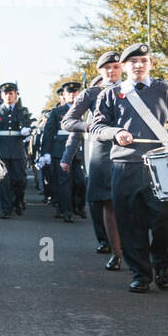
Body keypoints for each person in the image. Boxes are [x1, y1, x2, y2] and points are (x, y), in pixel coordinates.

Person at [89, 43, 168, 292]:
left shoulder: (164, 89)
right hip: (125, 166)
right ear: (124, 67)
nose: (138, 65)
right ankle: (141, 274)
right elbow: (97, 127)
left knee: (163, 222)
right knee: (129, 222)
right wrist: (117, 132)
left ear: (150, 65)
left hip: (160, 164)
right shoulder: (111, 94)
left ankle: (162, 265)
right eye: (132, 62)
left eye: (143, 61)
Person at [63, 52, 124, 269]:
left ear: (122, 68)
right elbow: (68, 122)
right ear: (99, 71)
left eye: (116, 66)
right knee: (109, 203)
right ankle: (116, 253)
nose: (112, 71)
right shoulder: (92, 93)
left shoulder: (134, 89)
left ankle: (134, 250)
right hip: (104, 152)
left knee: (135, 203)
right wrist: (90, 127)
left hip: (132, 150)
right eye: (107, 67)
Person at [0, 83, 34, 218]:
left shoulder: (22, 110)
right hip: (1, 148)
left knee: (20, 179)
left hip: (17, 148)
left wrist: (27, 130)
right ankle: (6, 209)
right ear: (2, 95)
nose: (8, 96)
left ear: (16, 95)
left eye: (11, 93)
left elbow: (27, 124)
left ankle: (18, 201)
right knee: (4, 181)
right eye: (6, 93)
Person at [41, 82, 85, 222]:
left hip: (79, 151)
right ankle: (66, 211)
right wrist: (46, 152)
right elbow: (49, 133)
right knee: (64, 183)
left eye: (75, 92)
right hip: (60, 151)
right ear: (64, 96)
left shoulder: (85, 110)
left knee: (80, 181)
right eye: (69, 92)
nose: (72, 94)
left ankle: (77, 205)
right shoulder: (56, 112)